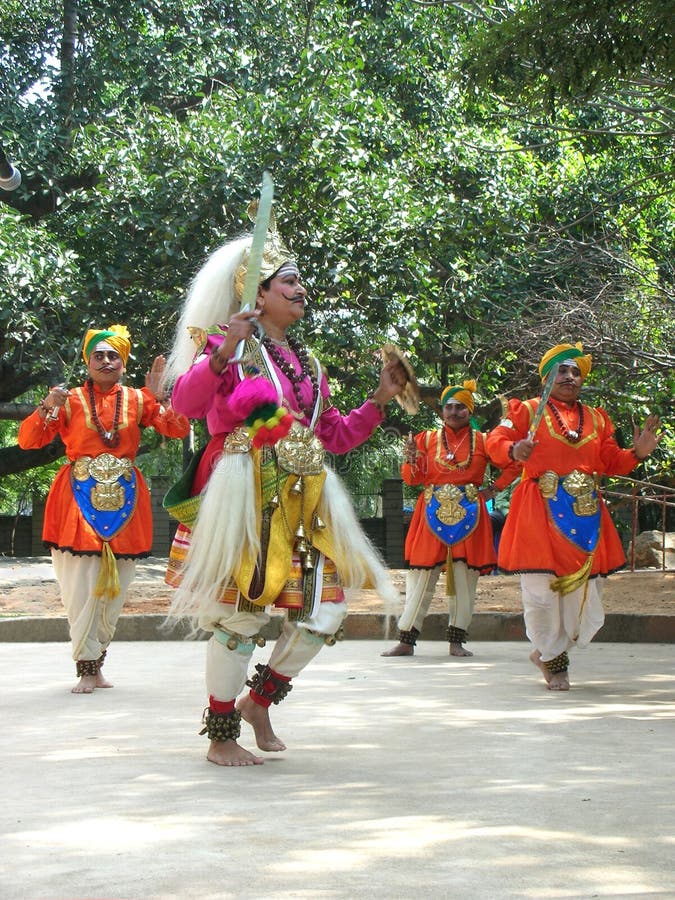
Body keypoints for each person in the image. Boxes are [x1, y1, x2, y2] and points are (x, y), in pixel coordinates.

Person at [163, 220, 406, 767]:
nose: (301, 290)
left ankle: (258, 702)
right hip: (244, 497)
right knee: (240, 617)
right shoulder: (227, 347)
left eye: (300, 282)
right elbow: (186, 405)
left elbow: (332, 435)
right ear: (258, 292)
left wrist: (378, 400)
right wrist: (226, 348)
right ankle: (220, 735)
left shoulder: (309, 365)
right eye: (289, 281)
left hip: (305, 501)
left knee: (325, 612)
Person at [18, 325, 190, 693]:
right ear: (88, 361)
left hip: (125, 503)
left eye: (114, 355)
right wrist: (48, 405)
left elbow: (177, 429)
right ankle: (85, 667)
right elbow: (29, 441)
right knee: (80, 585)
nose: (106, 361)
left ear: (123, 363)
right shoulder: (69, 400)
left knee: (117, 589)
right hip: (76, 502)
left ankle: (97, 665)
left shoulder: (139, 399)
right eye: (99, 355)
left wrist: (162, 396)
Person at [486, 342, 663, 691]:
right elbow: (496, 439)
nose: (570, 376)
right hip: (538, 511)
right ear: (546, 377)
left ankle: (549, 650)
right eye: (562, 370)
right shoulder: (527, 410)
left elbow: (610, 461)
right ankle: (554, 661)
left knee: (586, 593)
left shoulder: (596, 418)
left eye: (575, 371)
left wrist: (637, 454)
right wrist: (513, 449)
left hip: (584, 516)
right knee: (541, 590)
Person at [381, 381, 519, 658]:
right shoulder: (425, 439)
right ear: (442, 410)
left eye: (460, 407)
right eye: (449, 407)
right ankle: (406, 640)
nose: (454, 412)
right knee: (420, 575)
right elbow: (413, 480)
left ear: (470, 410)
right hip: (431, 512)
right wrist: (411, 460)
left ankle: (457, 641)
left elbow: (514, 463)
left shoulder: (484, 441)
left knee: (465, 577)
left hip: (470, 514)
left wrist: (494, 489)